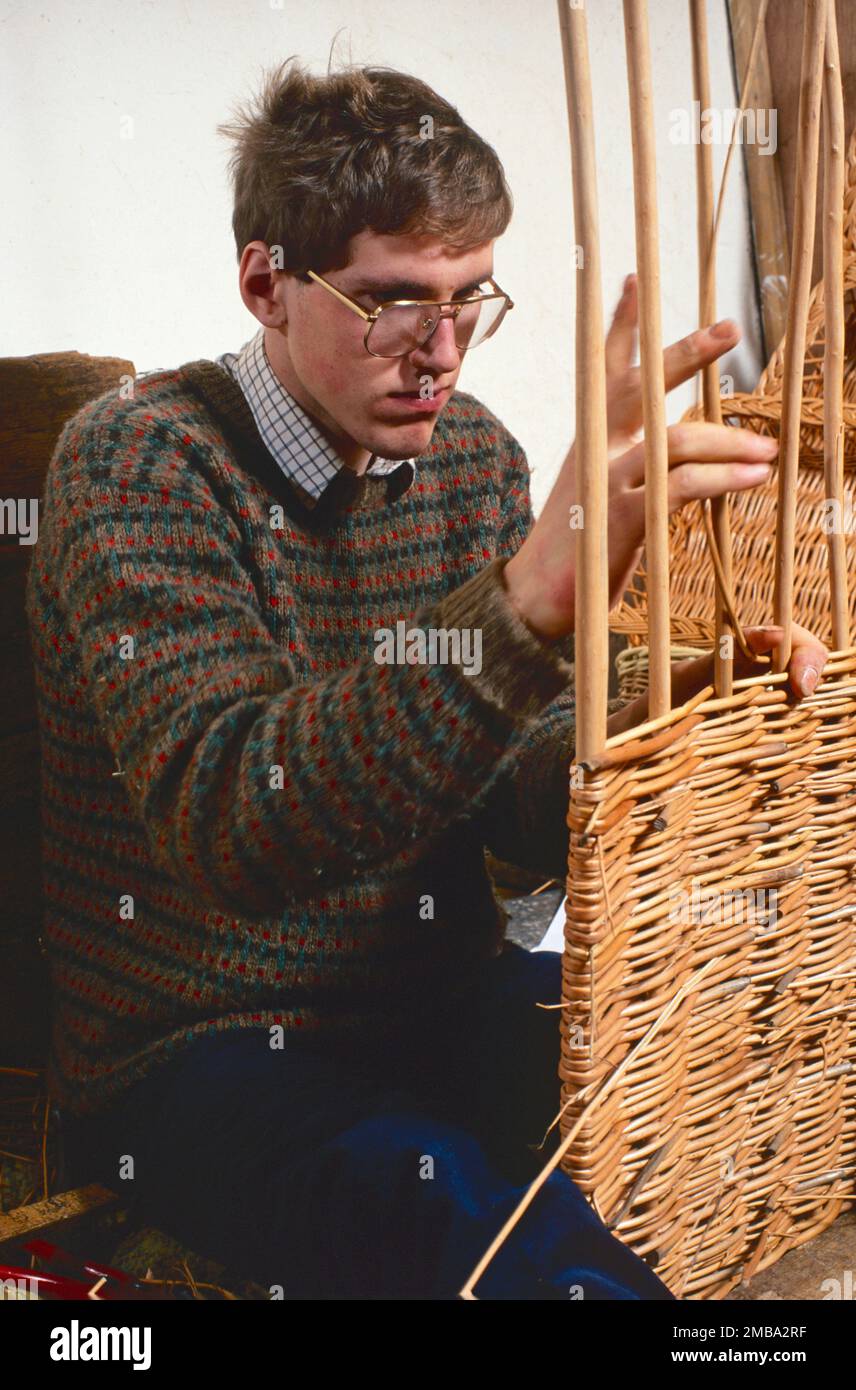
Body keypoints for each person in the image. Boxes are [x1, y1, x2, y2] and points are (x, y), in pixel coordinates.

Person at [31, 58, 828, 1300]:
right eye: (391, 303)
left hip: (432, 990)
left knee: (728, 1043)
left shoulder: (472, 459)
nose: (440, 353)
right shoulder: (138, 463)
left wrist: (661, 706)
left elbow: (511, 777)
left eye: (467, 300)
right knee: (469, 1220)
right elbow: (231, 820)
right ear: (265, 283)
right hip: (198, 1047)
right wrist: (524, 606)